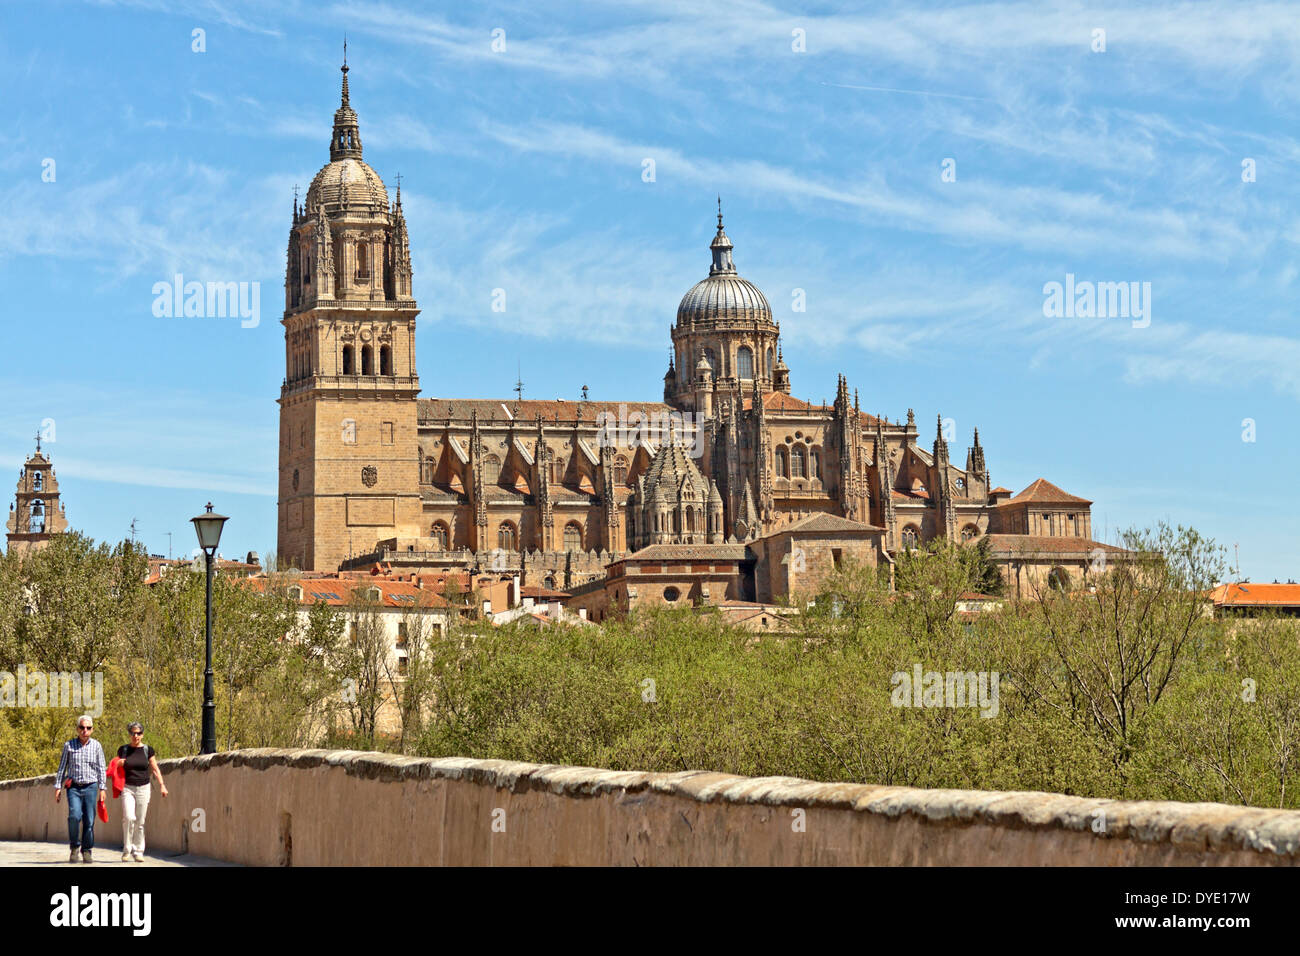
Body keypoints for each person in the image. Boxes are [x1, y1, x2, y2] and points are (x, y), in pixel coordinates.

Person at [53, 715, 107, 863]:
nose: (85, 730)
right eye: (82, 727)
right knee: (74, 816)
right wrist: (57, 786)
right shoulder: (69, 745)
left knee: (89, 820)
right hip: (74, 788)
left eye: (88, 728)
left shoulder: (97, 746)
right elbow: (62, 767)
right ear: (77, 729)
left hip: (91, 787)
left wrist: (102, 788)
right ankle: (75, 847)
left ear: (92, 730)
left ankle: (87, 850)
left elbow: (101, 768)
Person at [116, 722, 168, 862]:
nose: (136, 736)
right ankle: (127, 850)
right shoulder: (123, 750)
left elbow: (155, 768)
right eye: (133, 733)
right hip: (127, 788)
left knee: (140, 821)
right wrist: (118, 764)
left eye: (138, 733)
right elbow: (115, 767)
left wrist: (162, 785)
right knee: (129, 817)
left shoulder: (147, 750)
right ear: (130, 734)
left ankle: (138, 851)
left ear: (142, 735)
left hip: (144, 788)